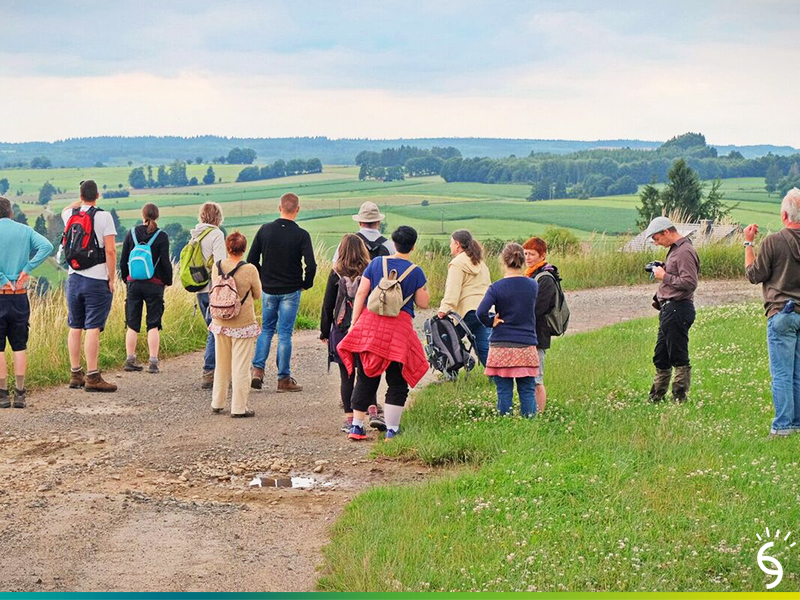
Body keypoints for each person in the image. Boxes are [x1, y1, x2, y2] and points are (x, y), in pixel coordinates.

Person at [337, 226, 430, 440]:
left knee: (366, 377)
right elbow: (423, 303)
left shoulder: (377, 263)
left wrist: (354, 324)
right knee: (397, 381)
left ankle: (357, 427)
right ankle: (392, 430)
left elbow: (362, 292)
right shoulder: (415, 271)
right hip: (399, 332)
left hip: (371, 327)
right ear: (413, 246)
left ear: (393, 243)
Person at [744, 188, 800, 437]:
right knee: (798, 373)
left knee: (781, 374)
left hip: (781, 312)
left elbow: (754, 275)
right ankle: (796, 423)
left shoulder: (773, 241)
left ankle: (783, 426)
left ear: (784, 214)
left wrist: (748, 244)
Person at [248, 192, 317, 392]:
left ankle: (257, 371)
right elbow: (311, 265)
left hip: (268, 289)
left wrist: (263, 278)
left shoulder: (264, 230)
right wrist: (306, 283)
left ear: (280, 208)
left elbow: (252, 260)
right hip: (291, 289)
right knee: (285, 333)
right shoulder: (302, 235)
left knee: (266, 330)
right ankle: (283, 379)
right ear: (297, 210)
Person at [320, 234, 384, 432]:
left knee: (346, 375)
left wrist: (324, 332)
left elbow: (328, 305)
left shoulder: (335, 273)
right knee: (368, 371)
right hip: (366, 328)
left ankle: (350, 420)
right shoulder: (371, 271)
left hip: (341, 329)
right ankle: (373, 410)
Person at [62, 180, 118, 392]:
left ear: (80, 194)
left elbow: (69, 207)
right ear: (98, 195)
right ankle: (93, 377)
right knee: (92, 327)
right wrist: (111, 279)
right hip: (96, 279)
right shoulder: (104, 217)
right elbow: (111, 251)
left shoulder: (70, 215)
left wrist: (82, 200)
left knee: (75, 326)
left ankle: (76, 373)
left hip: (74, 278)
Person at [0, 196, 53, 408]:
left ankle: (2, 395)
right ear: (10, 212)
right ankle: (20, 394)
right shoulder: (24, 230)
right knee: (20, 346)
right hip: (20, 296)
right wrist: (27, 270)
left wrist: (3, 279)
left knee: (0, 349)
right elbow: (47, 246)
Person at [477, 243, 540, 417]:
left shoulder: (496, 287)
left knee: (503, 390)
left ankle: (504, 422)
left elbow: (480, 312)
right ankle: (530, 422)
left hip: (501, 344)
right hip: (526, 344)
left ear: (503, 261)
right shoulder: (533, 285)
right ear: (522, 260)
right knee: (527, 389)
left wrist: (492, 322)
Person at [643, 216, 700, 403]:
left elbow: (690, 283)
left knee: (678, 354)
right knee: (661, 355)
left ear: (666, 231)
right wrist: (664, 267)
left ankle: (679, 397)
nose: (657, 243)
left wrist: (664, 275)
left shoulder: (684, 251)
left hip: (678, 308)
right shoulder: (675, 251)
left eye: (657, 239)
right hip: (669, 310)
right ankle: (656, 397)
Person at [210, 232, 262, 417]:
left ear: (227, 247)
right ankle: (239, 407)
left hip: (219, 320)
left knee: (222, 363)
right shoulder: (250, 269)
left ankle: (217, 401)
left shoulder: (217, 266)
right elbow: (257, 294)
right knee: (241, 366)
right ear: (244, 248)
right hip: (242, 323)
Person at [119, 203, 172, 374]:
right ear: (157, 216)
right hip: (155, 284)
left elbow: (123, 260)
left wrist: (126, 279)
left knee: (132, 324)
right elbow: (165, 263)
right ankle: (153, 362)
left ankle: (130, 360)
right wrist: (167, 281)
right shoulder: (162, 236)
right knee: (153, 324)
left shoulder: (131, 233)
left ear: (142, 215)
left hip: (133, 284)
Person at [437, 229, 491, 366]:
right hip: (486, 310)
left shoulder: (457, 263)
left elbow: (452, 290)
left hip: (468, 311)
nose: (450, 246)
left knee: (447, 341)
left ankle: (453, 369)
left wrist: (444, 309)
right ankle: (498, 378)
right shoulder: (481, 263)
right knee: (484, 347)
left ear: (457, 244)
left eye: (451, 243)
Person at [523, 236, 562, 413]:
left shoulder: (545, 278)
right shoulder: (532, 273)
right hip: (530, 332)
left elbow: (539, 307)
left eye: (532, 254)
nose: (528, 257)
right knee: (529, 377)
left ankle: (539, 413)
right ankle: (531, 410)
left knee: (537, 379)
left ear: (542, 255)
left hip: (539, 333)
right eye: (525, 254)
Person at [190, 202, 226, 389]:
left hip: (199, 288)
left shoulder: (195, 234)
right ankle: (209, 372)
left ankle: (213, 371)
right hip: (213, 288)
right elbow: (220, 264)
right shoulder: (216, 234)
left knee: (212, 329)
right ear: (218, 216)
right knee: (215, 330)